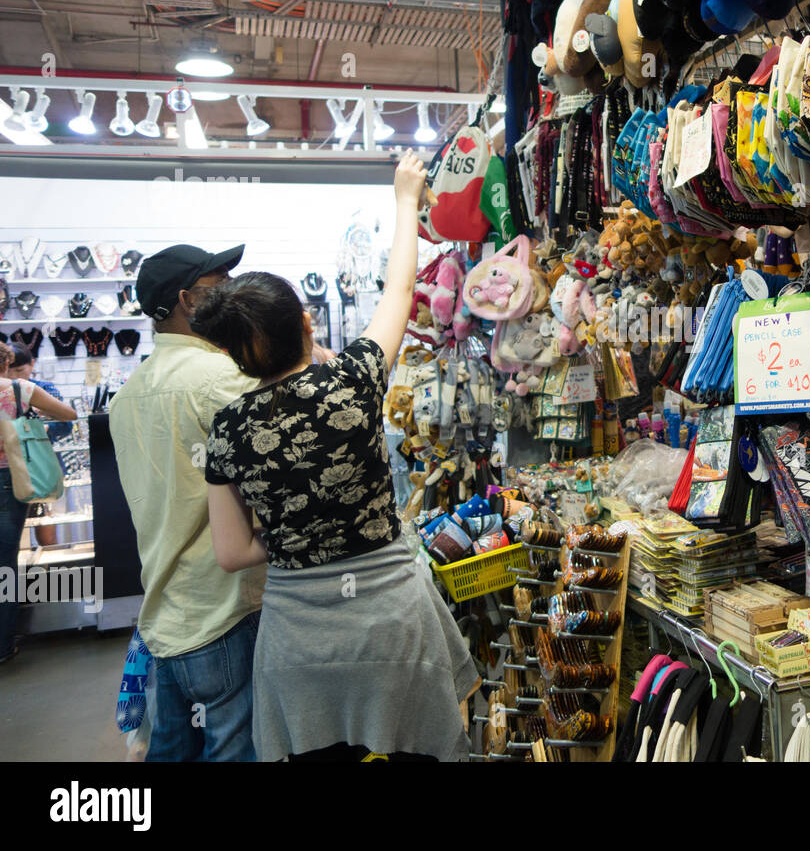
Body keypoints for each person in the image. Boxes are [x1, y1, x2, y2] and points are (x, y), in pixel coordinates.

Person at [193, 150, 476, 762]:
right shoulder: (352, 380)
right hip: (389, 615)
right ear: (305, 323)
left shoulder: (228, 428)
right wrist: (404, 199)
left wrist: (297, 533)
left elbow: (231, 552)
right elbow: (401, 288)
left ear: (237, 358)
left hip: (298, 638)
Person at [107, 245, 264, 760]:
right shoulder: (219, 380)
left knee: (172, 751)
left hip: (166, 611)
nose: (231, 294)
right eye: (221, 284)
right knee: (234, 749)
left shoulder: (129, 396)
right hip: (222, 608)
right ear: (187, 300)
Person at [0, 341, 77, 664]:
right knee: (4, 563)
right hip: (9, 479)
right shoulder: (18, 388)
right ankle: (3, 644)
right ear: (6, 362)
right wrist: (30, 411)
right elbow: (68, 414)